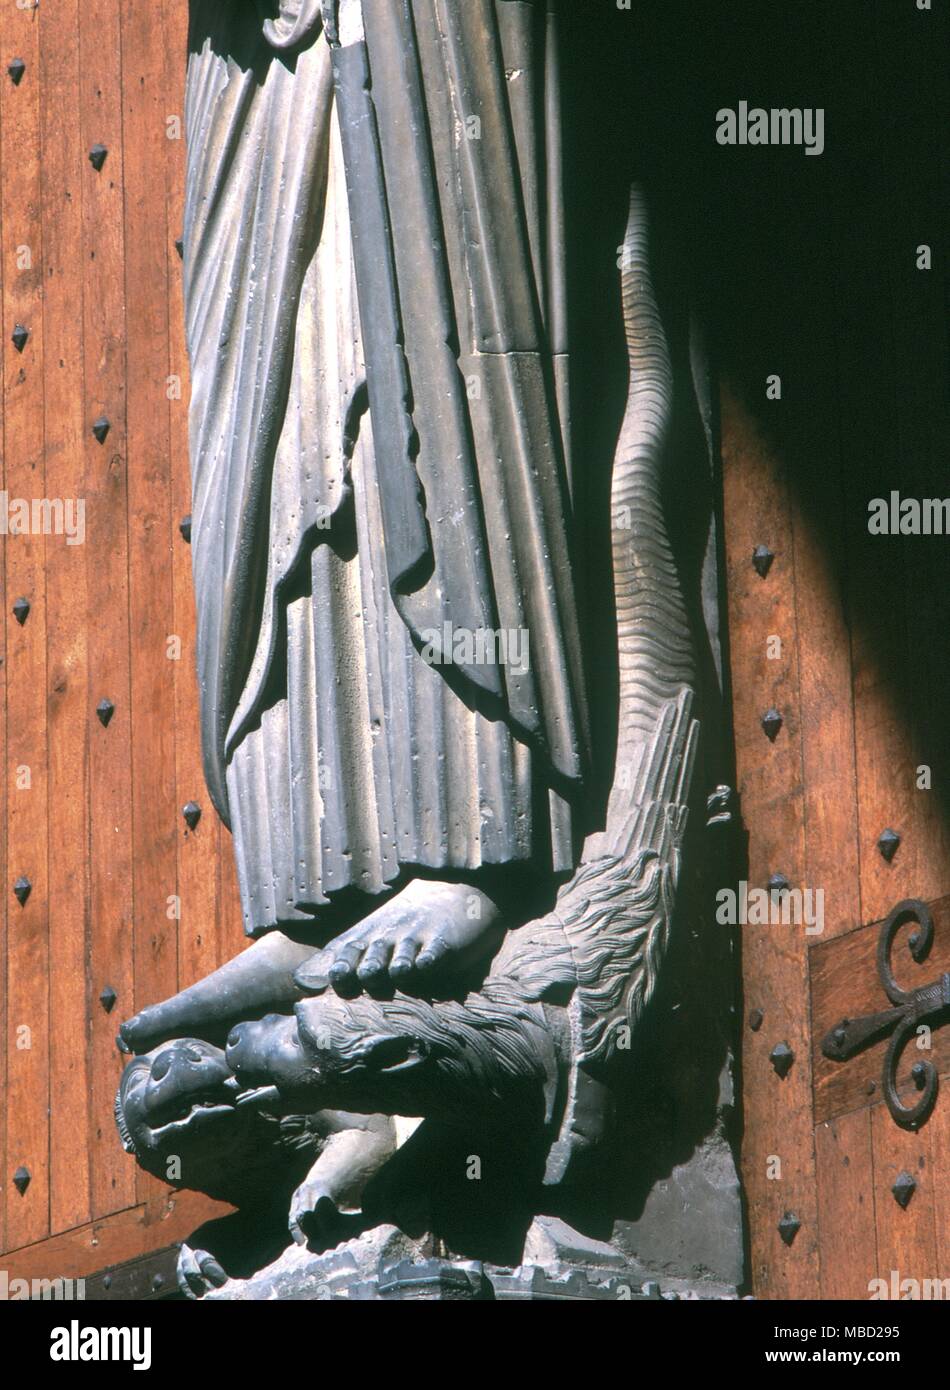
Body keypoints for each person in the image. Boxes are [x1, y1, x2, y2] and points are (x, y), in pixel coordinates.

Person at [121, 0, 590, 1053]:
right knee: (281, 421)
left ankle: (473, 842)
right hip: (254, 54)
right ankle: (314, 883)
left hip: (413, 30)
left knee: (417, 382)